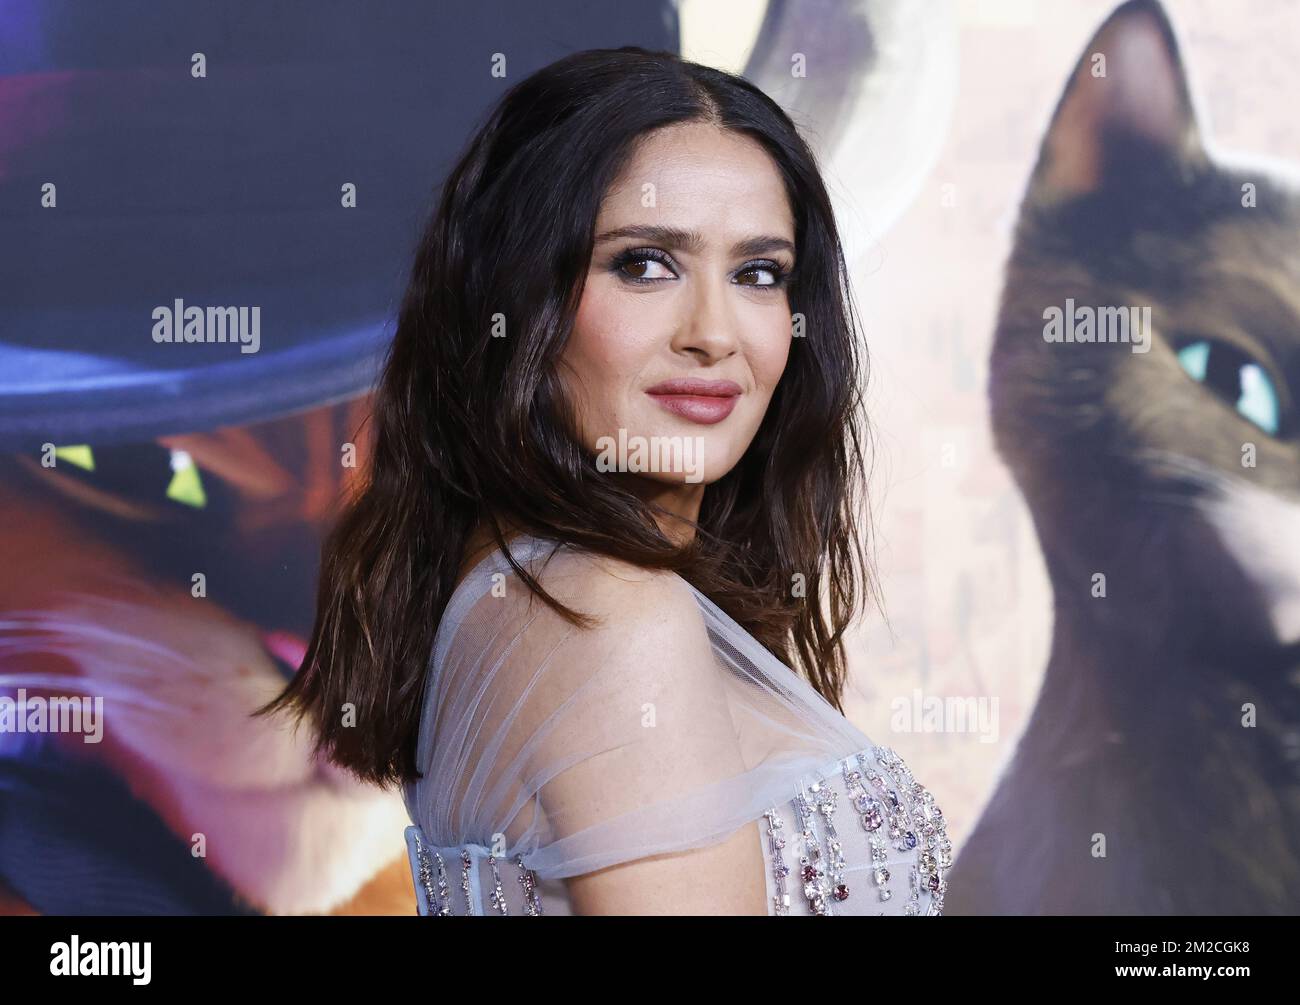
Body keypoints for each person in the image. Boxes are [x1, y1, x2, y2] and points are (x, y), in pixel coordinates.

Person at [259, 45, 949, 916]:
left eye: (758, 273)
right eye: (645, 263)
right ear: (520, 298)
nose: (713, 332)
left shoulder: (520, 587)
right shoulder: (610, 615)